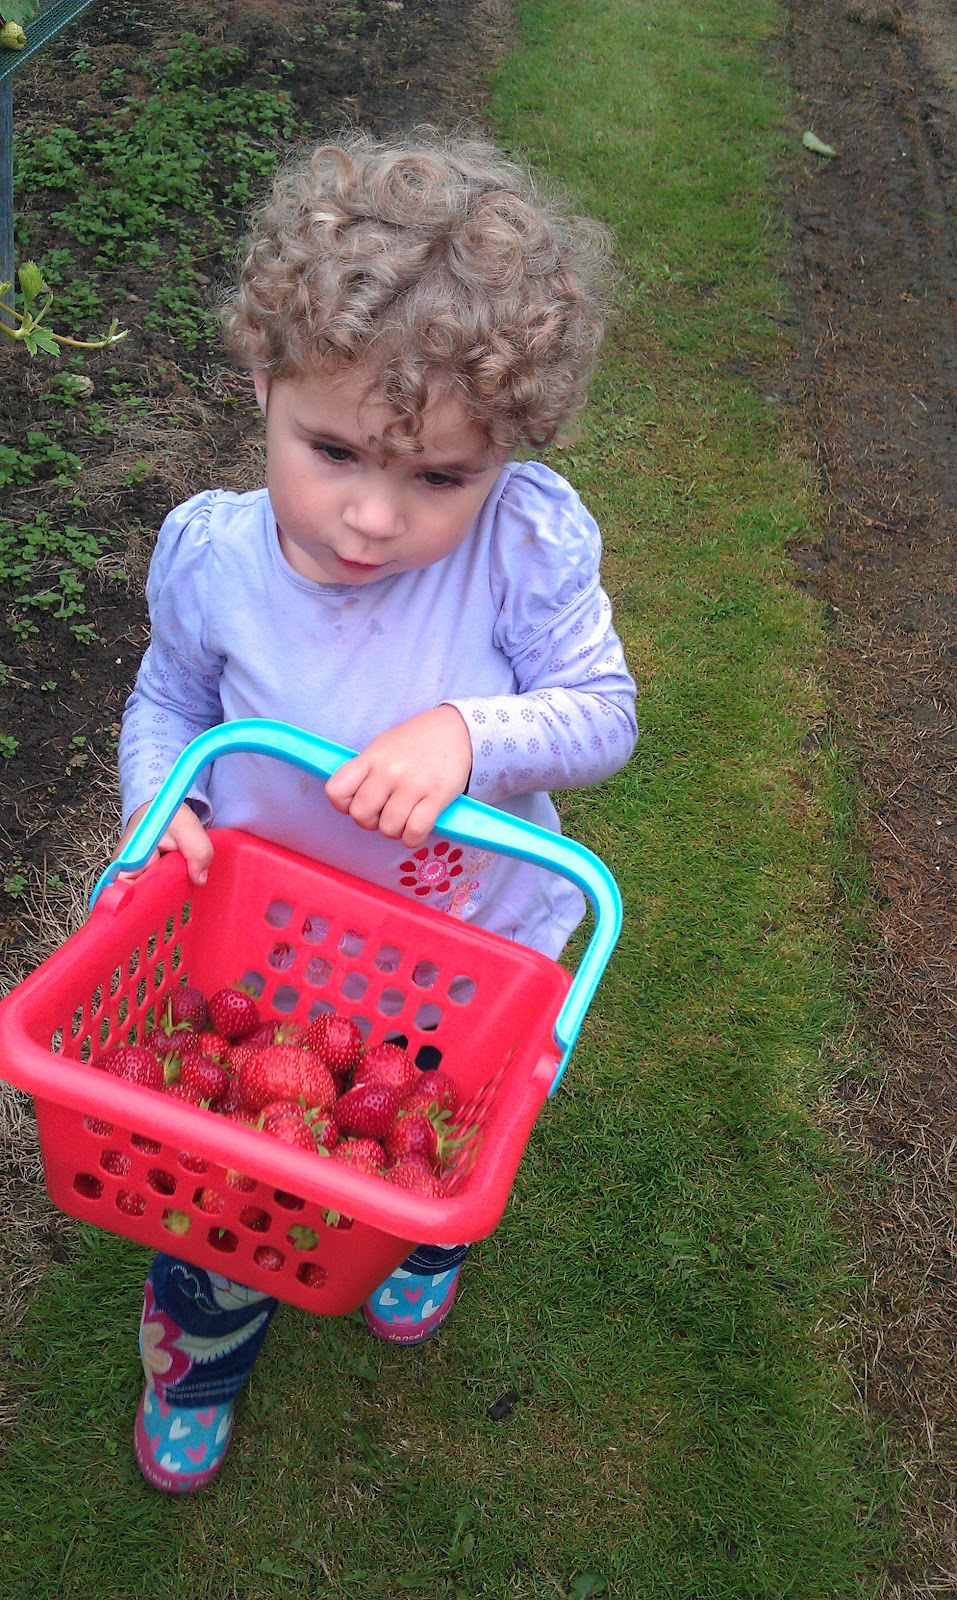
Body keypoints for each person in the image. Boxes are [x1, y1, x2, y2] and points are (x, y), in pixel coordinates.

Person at [117, 128, 638, 1493]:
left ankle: (419, 1243)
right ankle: (203, 1348)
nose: (367, 517)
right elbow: (168, 704)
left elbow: (602, 711)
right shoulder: (216, 561)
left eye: (436, 479)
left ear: (508, 454)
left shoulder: (522, 546)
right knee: (224, 1187)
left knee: (430, 1139)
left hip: (475, 945)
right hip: (267, 956)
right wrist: (152, 807)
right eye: (332, 448)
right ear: (260, 381)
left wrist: (472, 730)